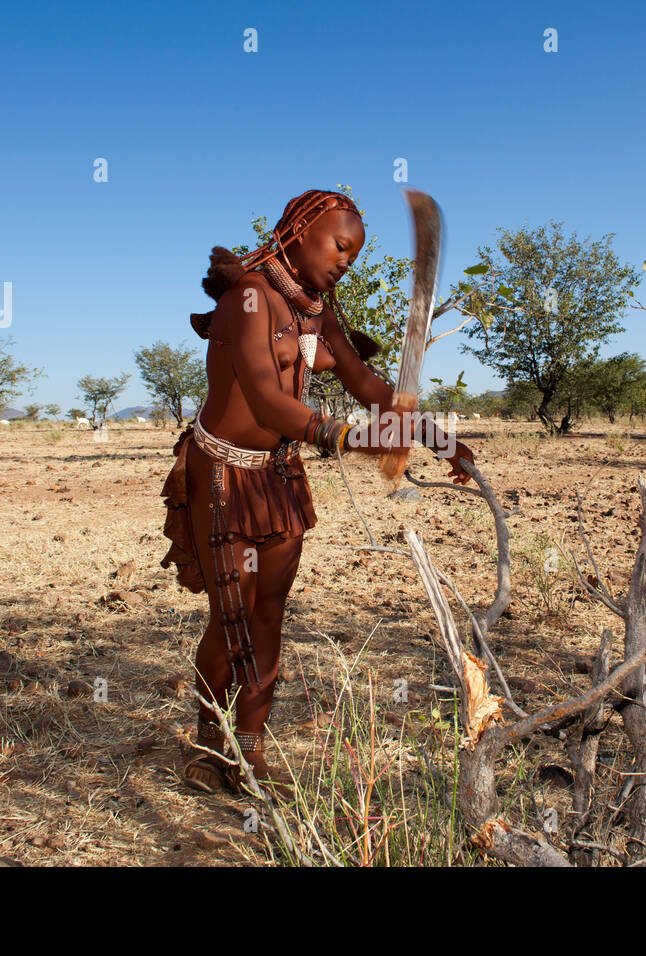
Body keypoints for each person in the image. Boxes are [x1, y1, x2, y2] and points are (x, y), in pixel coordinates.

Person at [160, 188, 474, 795]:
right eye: (338, 246)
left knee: (269, 616)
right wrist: (346, 438)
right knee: (232, 621)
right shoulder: (249, 298)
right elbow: (264, 397)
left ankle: (248, 755)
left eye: (353, 255)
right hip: (223, 477)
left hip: (279, 475)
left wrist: (433, 433)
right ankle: (208, 743)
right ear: (299, 231)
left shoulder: (315, 308)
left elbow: (363, 378)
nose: (344, 262)